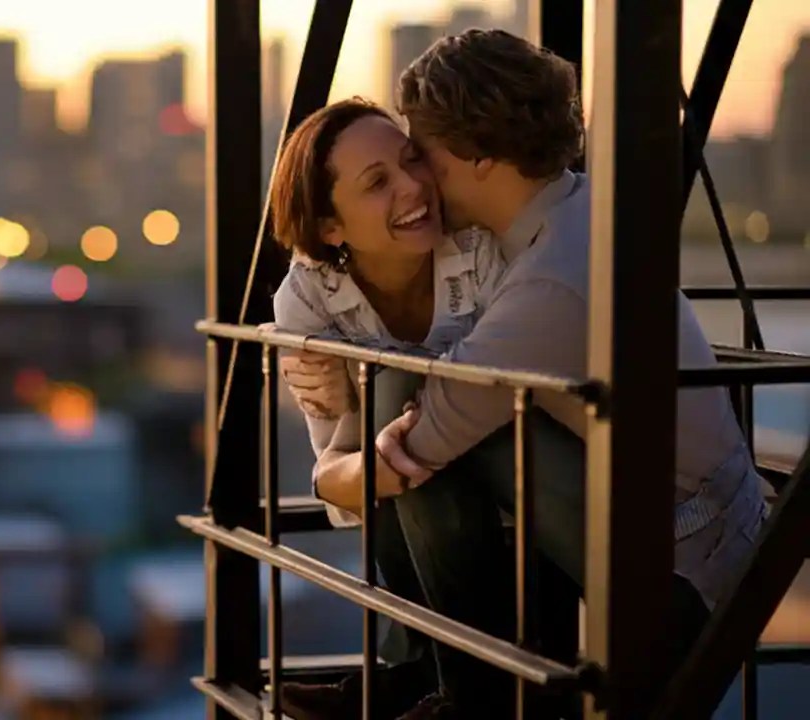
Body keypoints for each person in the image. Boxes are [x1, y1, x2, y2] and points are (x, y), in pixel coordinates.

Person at [288, 29, 770, 719]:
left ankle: (477, 694)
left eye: (421, 153)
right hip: (666, 527)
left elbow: (429, 437)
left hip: (681, 573)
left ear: (478, 155)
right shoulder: (563, 221)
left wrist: (345, 443)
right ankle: (429, 674)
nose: (420, 176)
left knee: (428, 406)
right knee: (420, 392)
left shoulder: (551, 280)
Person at [266, 96, 508, 719]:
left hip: (517, 482)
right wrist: (385, 460)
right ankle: (433, 682)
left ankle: (430, 684)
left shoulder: (482, 250)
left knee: (404, 403)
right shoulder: (308, 300)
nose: (414, 187)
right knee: (399, 420)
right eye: (378, 182)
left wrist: (394, 432)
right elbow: (336, 473)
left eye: (411, 161)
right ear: (330, 228)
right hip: (421, 507)